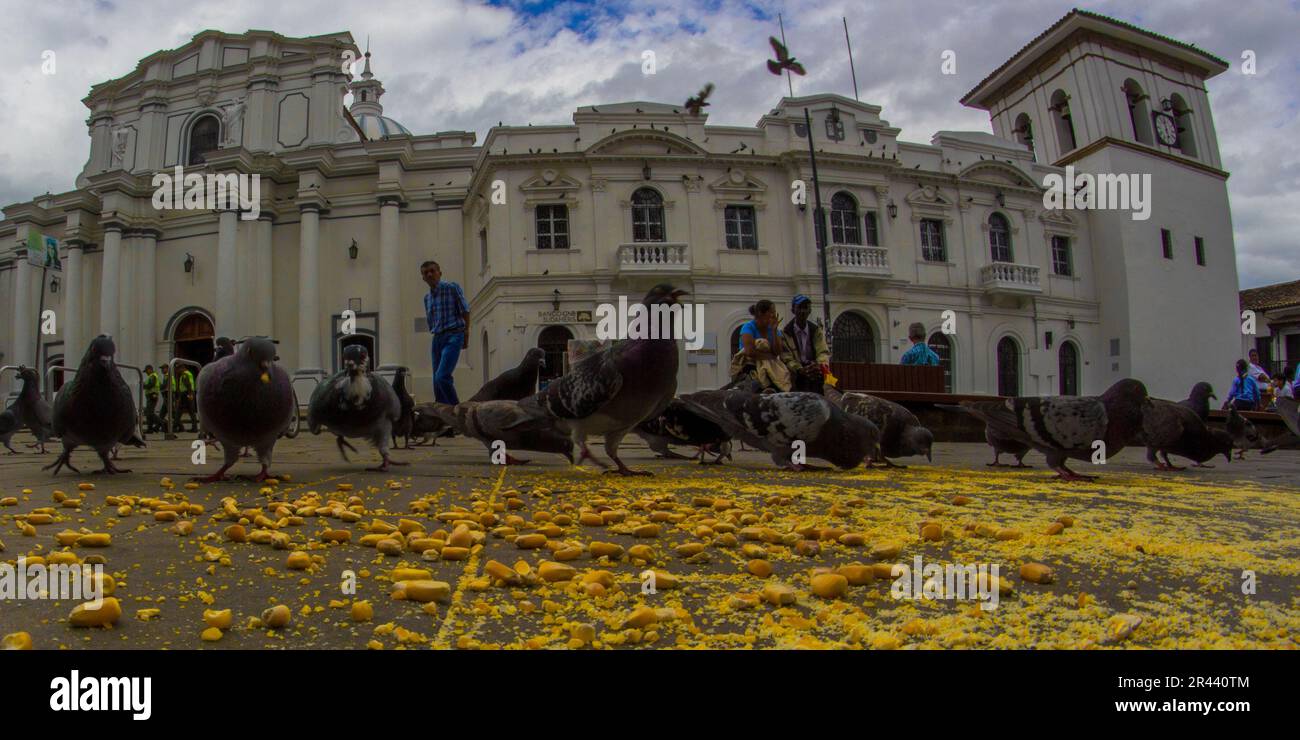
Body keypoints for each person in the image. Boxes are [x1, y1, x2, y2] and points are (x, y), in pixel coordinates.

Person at [421, 260, 470, 404]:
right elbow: (431, 319)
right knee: (436, 381)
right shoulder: (427, 298)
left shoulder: (452, 288)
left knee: (442, 376)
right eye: (426, 273)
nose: (429, 274)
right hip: (437, 338)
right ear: (423, 278)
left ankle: (456, 410)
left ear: (439, 273)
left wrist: (466, 334)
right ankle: (441, 410)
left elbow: (465, 310)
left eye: (432, 271)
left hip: (454, 334)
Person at [731, 300, 790, 391]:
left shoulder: (774, 329)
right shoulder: (748, 327)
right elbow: (749, 352)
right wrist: (770, 356)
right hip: (750, 366)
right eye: (771, 312)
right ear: (760, 313)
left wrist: (774, 331)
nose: (774, 315)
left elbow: (778, 351)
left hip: (772, 367)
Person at [780, 295, 830, 393]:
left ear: (809, 310)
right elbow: (787, 358)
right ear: (793, 310)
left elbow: (823, 352)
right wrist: (800, 369)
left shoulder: (816, 330)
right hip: (795, 371)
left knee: (831, 385)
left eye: (805, 308)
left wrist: (819, 365)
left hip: (815, 368)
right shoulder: (785, 332)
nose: (802, 311)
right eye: (799, 308)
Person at [176, 364, 199, 433]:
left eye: (178, 369)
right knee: (191, 411)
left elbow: (188, 384)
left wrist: (190, 394)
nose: (177, 371)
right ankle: (194, 428)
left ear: (182, 368)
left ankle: (175, 426)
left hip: (186, 394)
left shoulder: (185, 375)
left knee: (179, 411)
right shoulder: (188, 374)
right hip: (188, 393)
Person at [143, 364, 161, 433]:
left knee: (150, 413)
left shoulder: (153, 376)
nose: (146, 373)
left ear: (150, 369)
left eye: (147, 371)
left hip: (152, 396)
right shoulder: (151, 376)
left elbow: (151, 385)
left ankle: (161, 423)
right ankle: (149, 429)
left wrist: (144, 385)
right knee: (148, 413)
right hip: (150, 396)